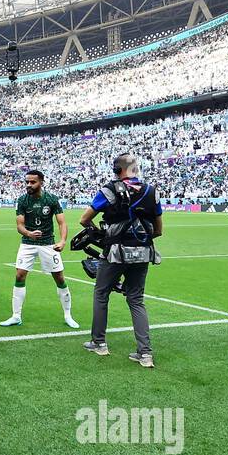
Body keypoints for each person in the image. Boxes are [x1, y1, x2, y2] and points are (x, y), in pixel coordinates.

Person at [79, 153, 162, 368]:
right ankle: (145, 354)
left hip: (115, 251)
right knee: (136, 299)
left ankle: (99, 343)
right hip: (143, 251)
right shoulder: (152, 192)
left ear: (117, 170)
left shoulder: (109, 189)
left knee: (101, 293)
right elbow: (159, 230)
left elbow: (84, 219)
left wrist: (104, 234)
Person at [0, 170, 78, 329]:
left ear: (41, 182)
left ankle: (68, 315)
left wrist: (62, 241)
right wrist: (28, 233)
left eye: (32, 182)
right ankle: (16, 316)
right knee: (19, 276)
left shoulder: (51, 199)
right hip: (27, 243)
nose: (29, 185)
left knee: (59, 278)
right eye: (27, 182)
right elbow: (19, 225)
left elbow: (62, 223)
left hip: (48, 244)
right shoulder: (22, 200)